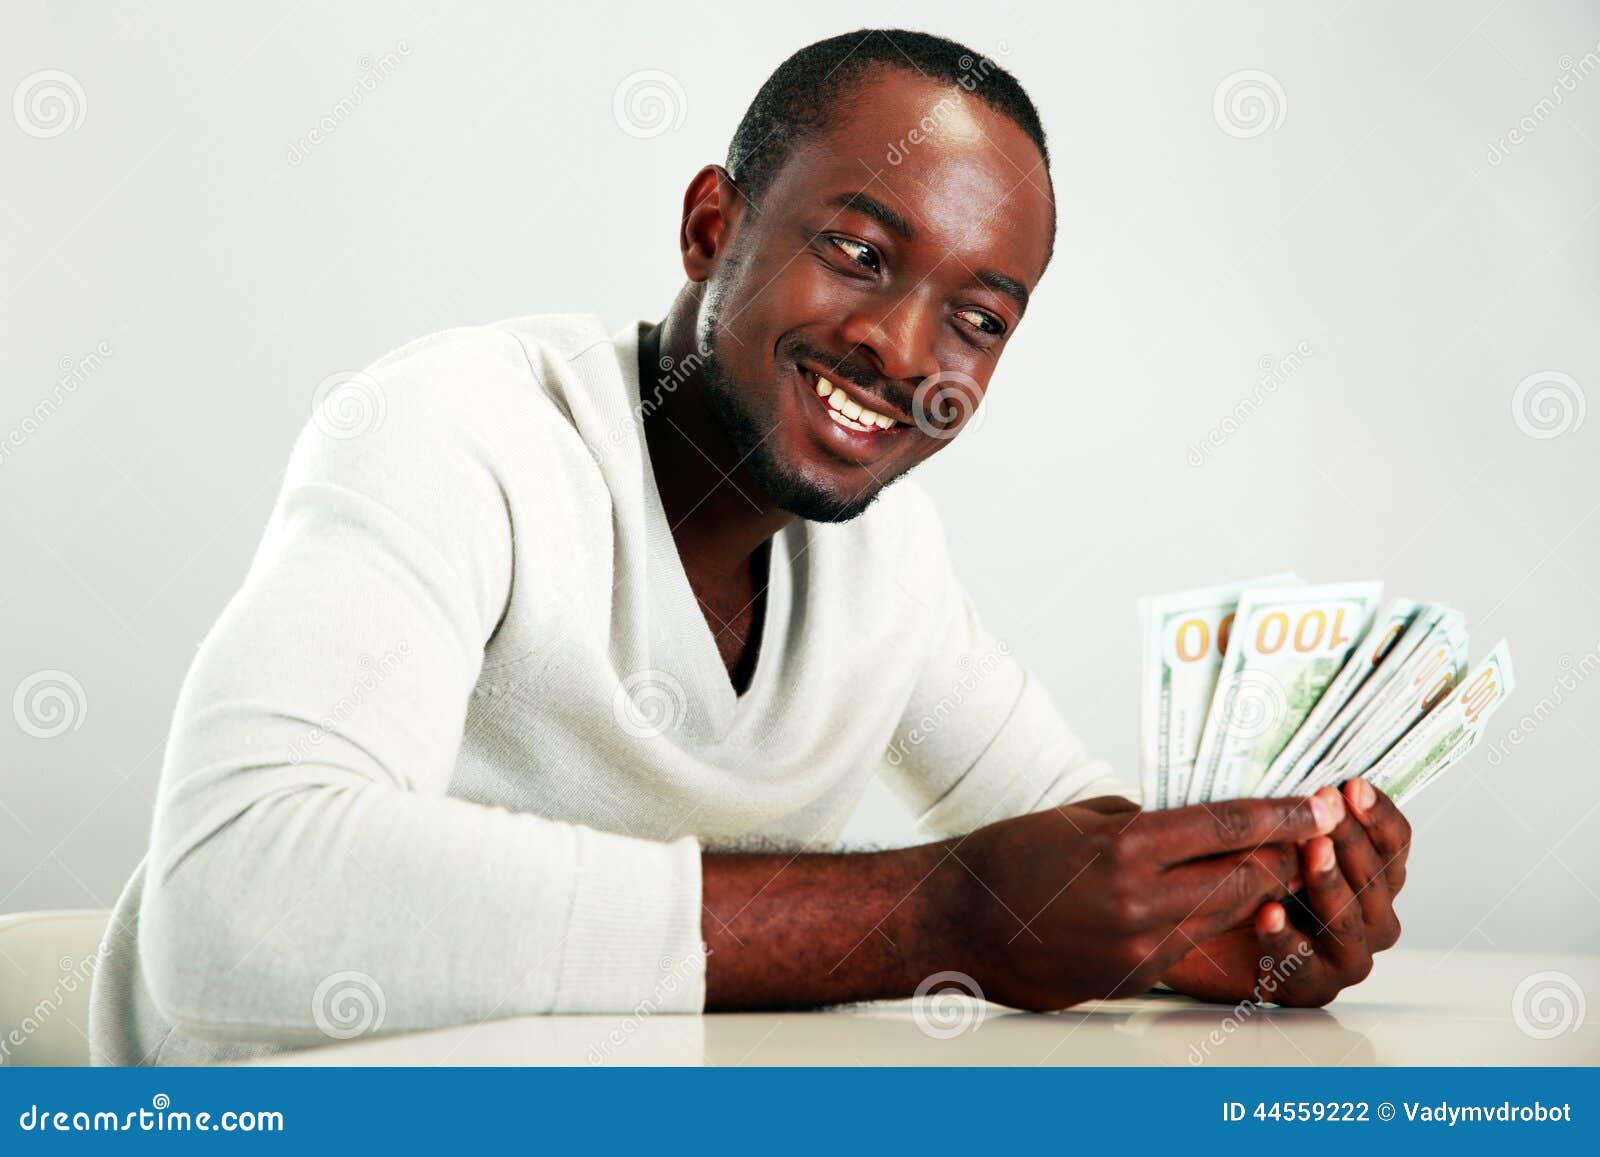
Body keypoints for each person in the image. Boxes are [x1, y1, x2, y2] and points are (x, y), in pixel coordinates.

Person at [90, 28, 1408, 1065]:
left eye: (981, 317)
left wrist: (1223, 926)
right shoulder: (456, 429)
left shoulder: (887, 563)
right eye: (858, 249)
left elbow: (1059, 851)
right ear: (712, 224)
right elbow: (235, 903)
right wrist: (928, 917)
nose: (905, 352)